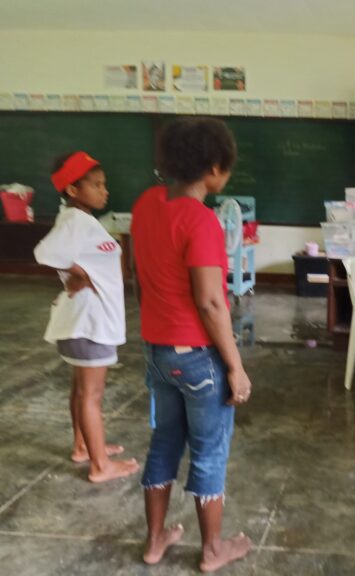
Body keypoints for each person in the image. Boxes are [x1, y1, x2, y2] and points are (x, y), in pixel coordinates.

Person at [131, 117, 252, 571]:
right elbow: (211, 303)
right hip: (198, 359)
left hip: (156, 352)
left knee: (164, 443)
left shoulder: (145, 204)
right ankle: (212, 549)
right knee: (209, 450)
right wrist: (235, 367)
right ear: (215, 168)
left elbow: (138, 275)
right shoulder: (202, 222)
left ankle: (155, 540)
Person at [34, 151, 140, 483]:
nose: (103, 191)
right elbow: (45, 253)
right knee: (91, 396)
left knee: (82, 392)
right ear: (72, 190)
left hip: (85, 321)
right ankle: (99, 466)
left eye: (103, 184)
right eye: (95, 185)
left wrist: (80, 270)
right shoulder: (76, 220)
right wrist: (79, 272)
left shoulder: (79, 219)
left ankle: (83, 446)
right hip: (89, 323)